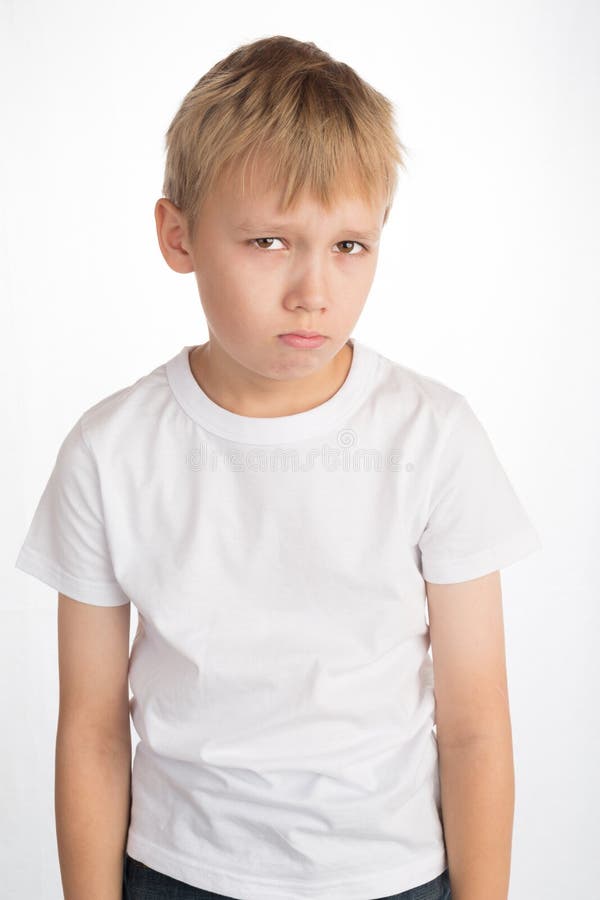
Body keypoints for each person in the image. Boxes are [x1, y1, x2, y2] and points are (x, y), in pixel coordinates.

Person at [15, 34, 542, 900]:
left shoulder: (432, 435)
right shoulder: (111, 451)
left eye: (349, 246)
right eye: (267, 242)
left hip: (393, 875)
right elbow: (93, 730)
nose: (313, 290)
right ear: (178, 236)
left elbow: (477, 724)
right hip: (176, 871)